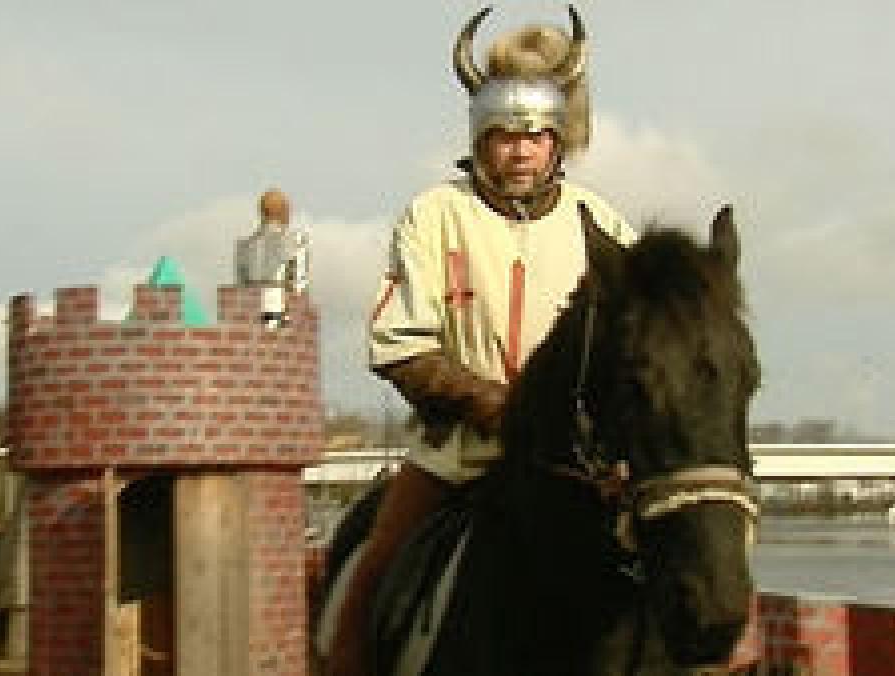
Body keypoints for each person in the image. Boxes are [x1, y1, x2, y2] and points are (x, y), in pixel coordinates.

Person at [323, 7, 638, 675]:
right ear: (479, 137)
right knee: (372, 570)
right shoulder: (436, 214)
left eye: (535, 135)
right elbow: (400, 344)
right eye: (502, 135)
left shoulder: (603, 224)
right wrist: (496, 403)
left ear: (559, 140)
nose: (519, 150)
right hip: (460, 454)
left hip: (582, 473)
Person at [235, 188, 310, 328]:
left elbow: (240, 290)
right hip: (282, 317)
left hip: (250, 320)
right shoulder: (296, 242)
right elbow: (299, 290)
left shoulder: (243, 246)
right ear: (283, 212)